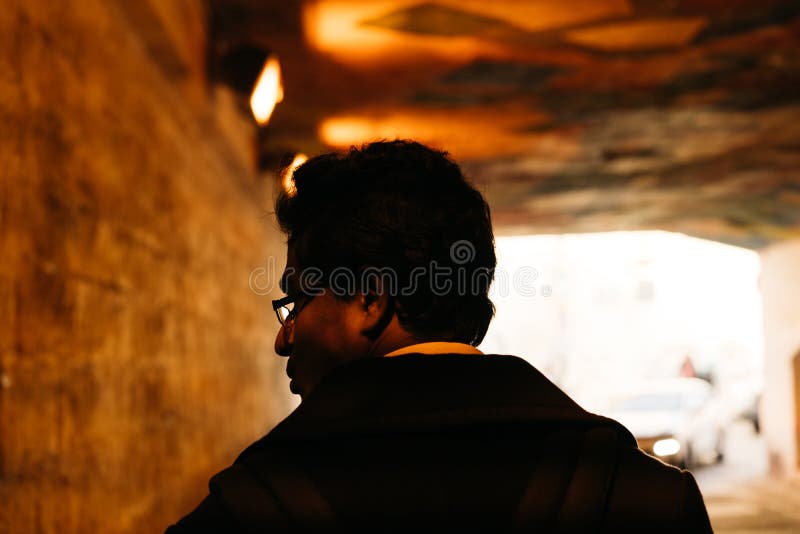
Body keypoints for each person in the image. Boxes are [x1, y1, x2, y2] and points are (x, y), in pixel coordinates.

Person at [167, 140, 712, 533]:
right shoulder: (647, 498)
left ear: (370, 300)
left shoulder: (246, 510)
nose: (284, 338)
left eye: (298, 301)